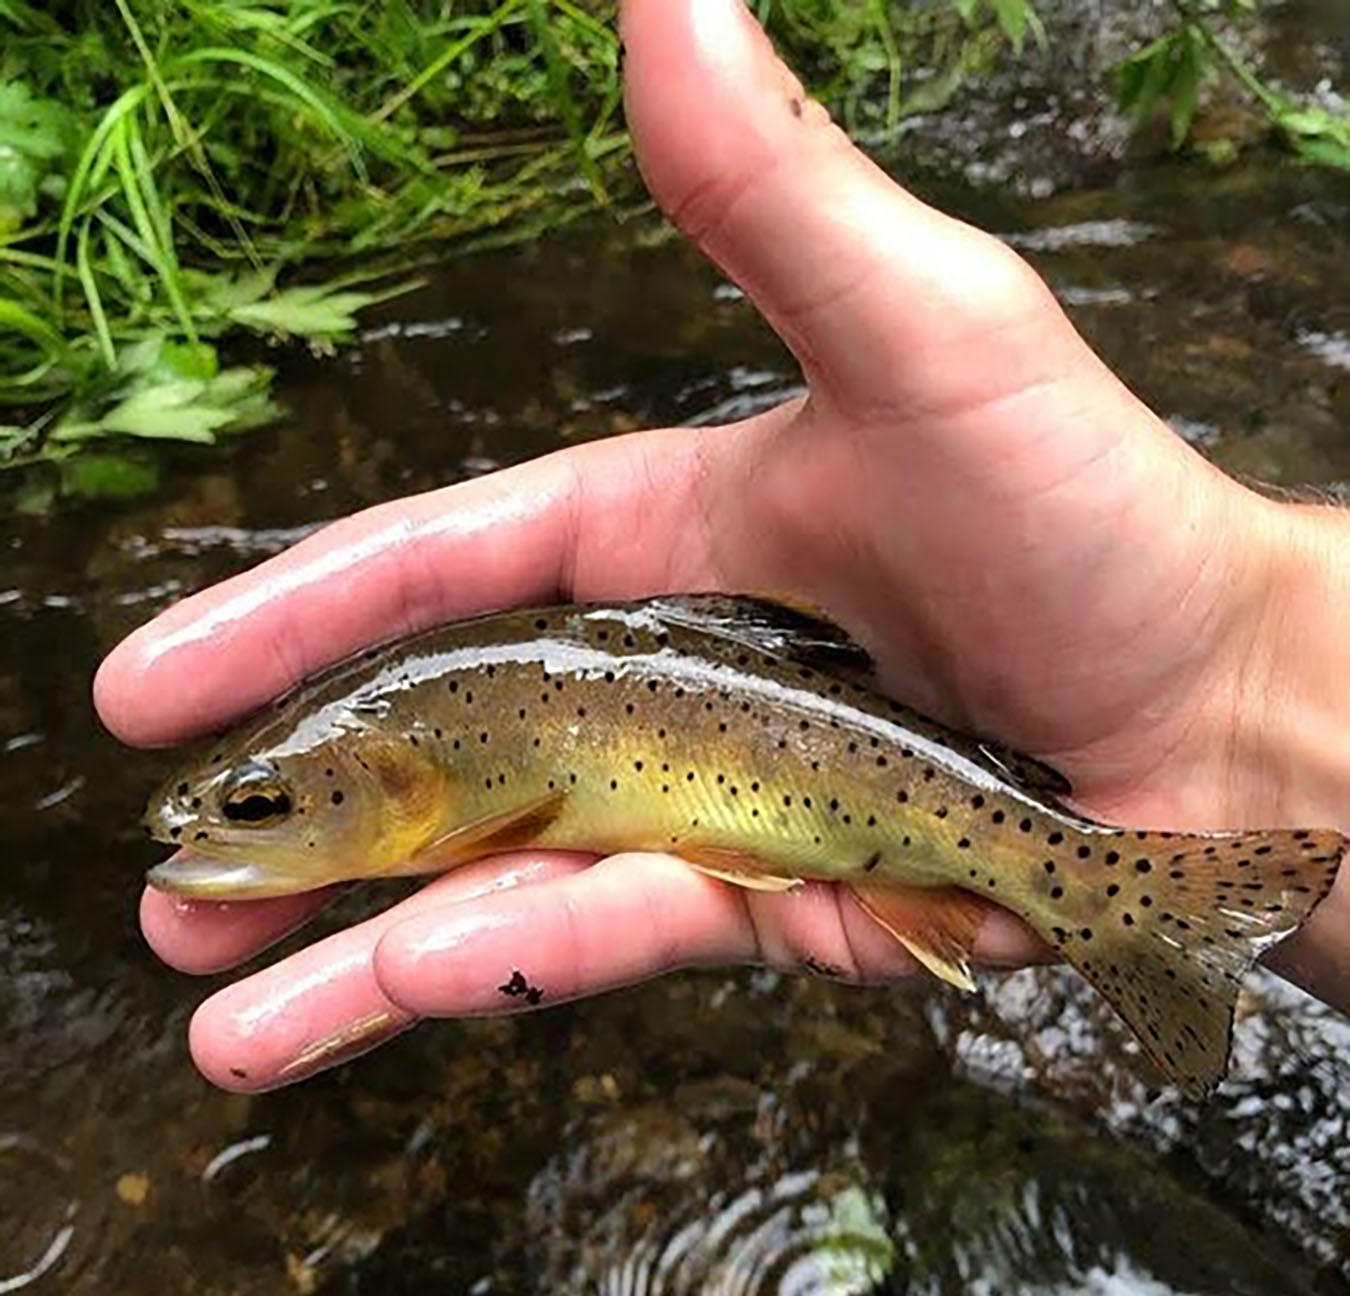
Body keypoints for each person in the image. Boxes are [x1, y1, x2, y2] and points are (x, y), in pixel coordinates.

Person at [93, 0, 1348, 1091]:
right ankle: (1133, 897)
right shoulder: (431, 757)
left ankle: (1133, 902)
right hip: (886, 781)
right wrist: (1243, 686)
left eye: (256, 805)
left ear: (393, 787)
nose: (227, 829)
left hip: (888, 776)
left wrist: (1235, 666)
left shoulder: (447, 775)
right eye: (254, 806)